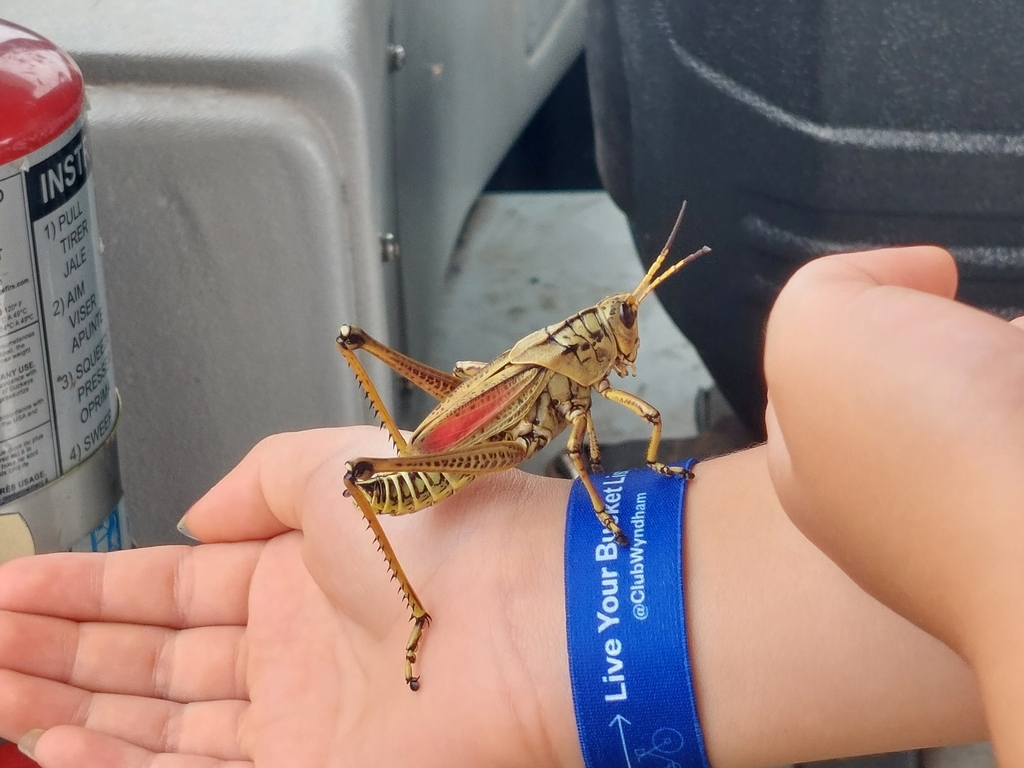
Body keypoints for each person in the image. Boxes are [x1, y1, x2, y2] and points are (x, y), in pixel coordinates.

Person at [0, 246, 1012, 768]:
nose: (624, 338)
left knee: (607, 432)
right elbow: (575, 443)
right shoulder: (569, 377)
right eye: (619, 325)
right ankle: (416, 610)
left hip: (495, 446)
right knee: (412, 422)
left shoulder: (594, 372)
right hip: (455, 456)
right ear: (594, 339)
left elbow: (602, 433)